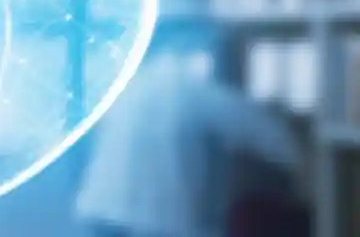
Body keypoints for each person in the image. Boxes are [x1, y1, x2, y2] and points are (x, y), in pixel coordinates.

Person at [74, 20, 304, 237]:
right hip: (148, 221)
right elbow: (265, 133)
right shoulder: (193, 91)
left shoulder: (134, 87)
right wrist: (300, 162)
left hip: (101, 211)